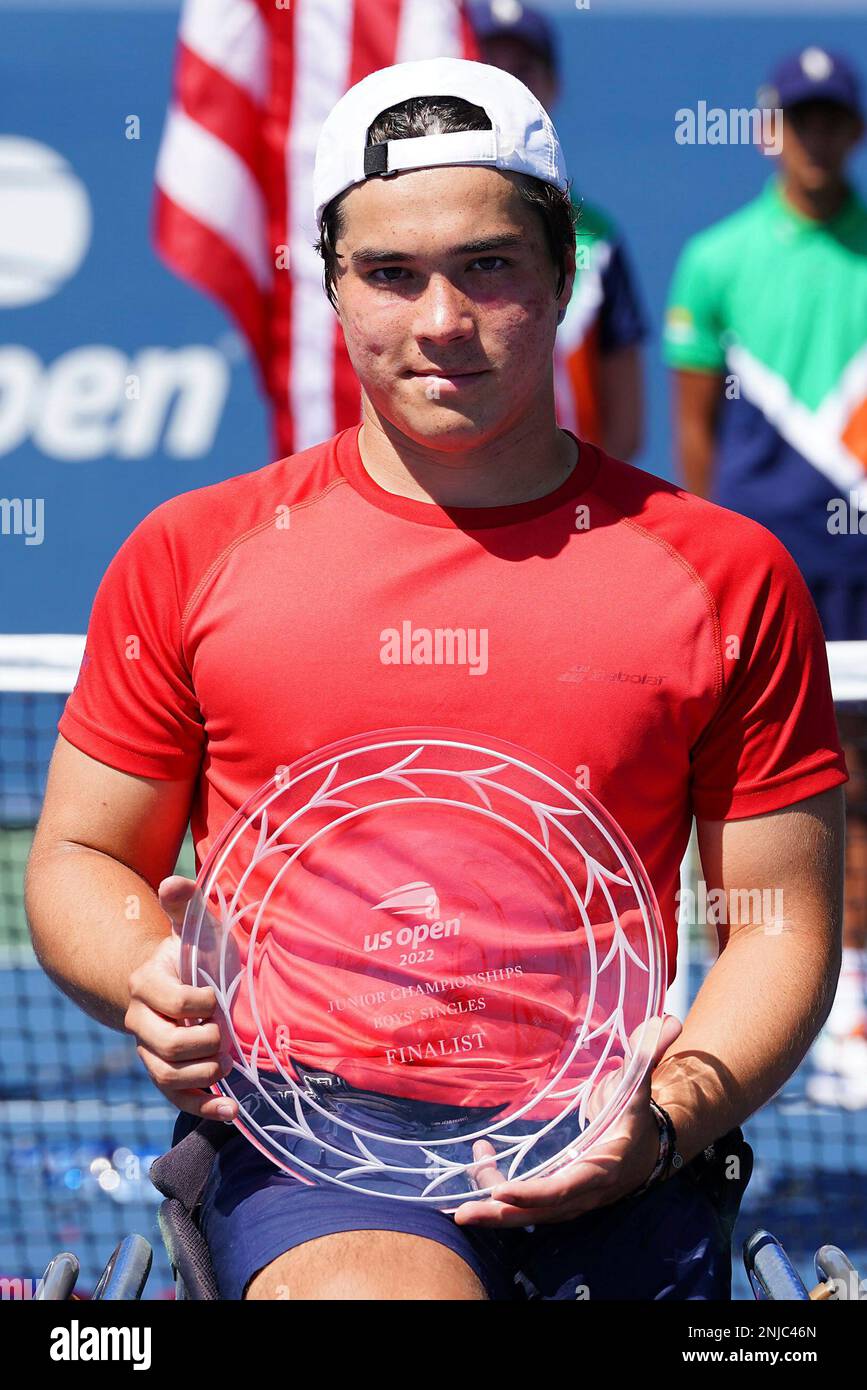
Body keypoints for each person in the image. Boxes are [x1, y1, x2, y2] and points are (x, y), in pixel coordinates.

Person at [26, 56, 846, 1301]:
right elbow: (83, 858)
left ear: (564, 272)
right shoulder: (189, 555)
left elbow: (779, 926)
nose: (441, 320)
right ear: (333, 285)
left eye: (488, 266)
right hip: (310, 1160)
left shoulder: (729, 575)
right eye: (390, 274)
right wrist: (142, 966)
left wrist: (667, 1120)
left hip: (626, 1152)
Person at [664, 47, 867, 1104]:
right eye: (802, 118)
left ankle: (851, 998)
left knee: (859, 776)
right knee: (742, 786)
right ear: (768, 128)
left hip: (864, 564)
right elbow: (695, 428)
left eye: (836, 119)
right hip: (768, 574)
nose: (819, 137)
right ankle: (744, 995)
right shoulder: (716, 258)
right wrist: (725, 546)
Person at [468, 0, 647, 461]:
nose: (505, 85)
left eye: (523, 69)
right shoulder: (410, 231)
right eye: (486, 66)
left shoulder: (598, 240)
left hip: (570, 512)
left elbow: (626, 421)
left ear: (553, 85)